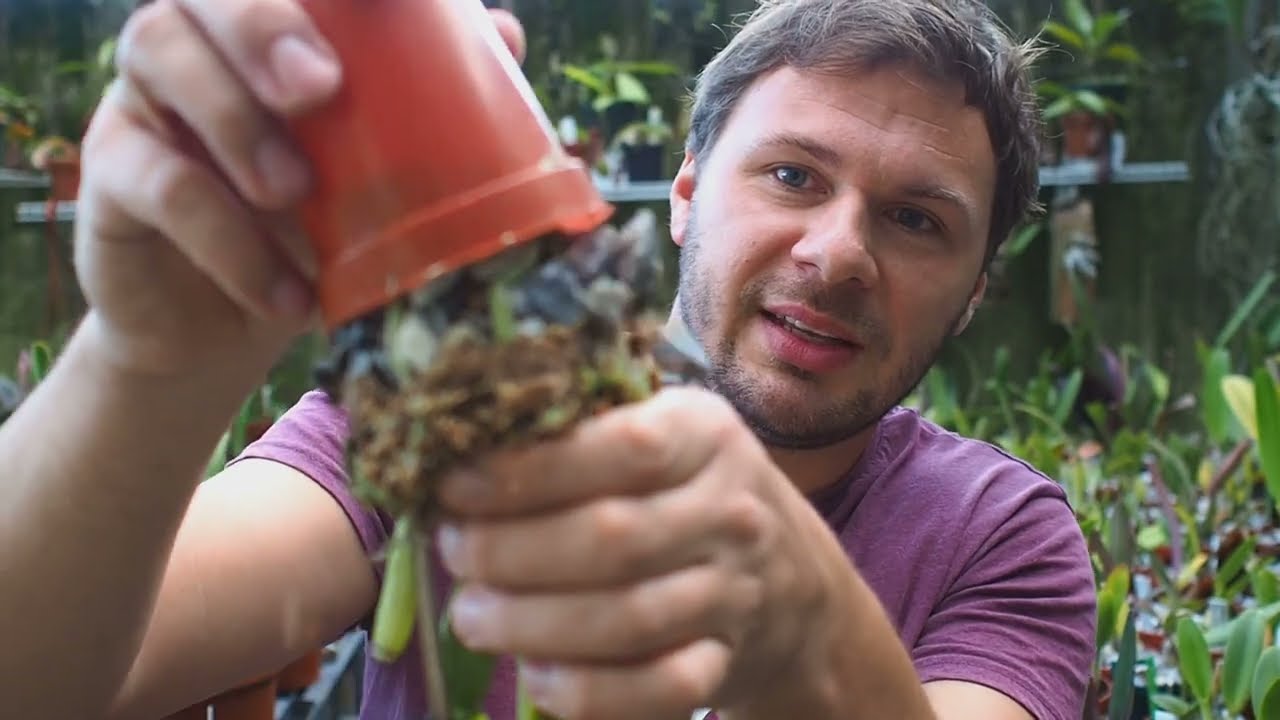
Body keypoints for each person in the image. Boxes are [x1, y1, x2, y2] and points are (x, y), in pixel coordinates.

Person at [0, 0, 1097, 718]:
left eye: (915, 221)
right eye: (793, 177)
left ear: (971, 300)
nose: (838, 252)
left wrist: (795, 621)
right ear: (680, 196)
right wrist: (146, 363)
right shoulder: (456, 407)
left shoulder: (999, 539)